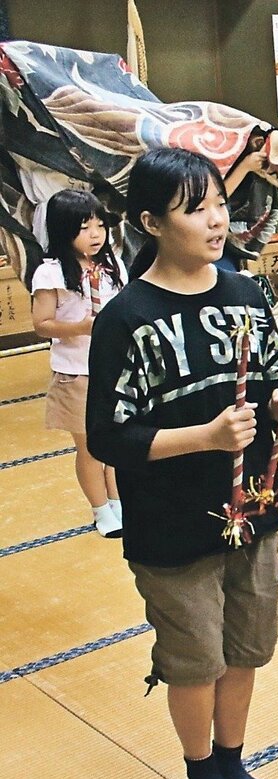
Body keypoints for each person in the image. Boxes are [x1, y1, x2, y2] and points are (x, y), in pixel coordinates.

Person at [86, 148, 278, 779]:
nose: (216, 220)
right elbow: (109, 437)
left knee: (246, 646)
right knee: (194, 659)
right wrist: (203, 437)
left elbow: (267, 387)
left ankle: (234, 758)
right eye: (196, 208)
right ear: (151, 221)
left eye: (218, 203)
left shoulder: (244, 292)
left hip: (251, 509)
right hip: (172, 523)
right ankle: (201, 768)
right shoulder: (126, 318)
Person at [31, 189, 127, 537]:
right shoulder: (51, 273)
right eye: (85, 227)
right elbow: (41, 325)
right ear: (62, 230)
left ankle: (118, 502)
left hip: (113, 370)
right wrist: (82, 327)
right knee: (89, 447)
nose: (96, 234)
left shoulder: (113, 264)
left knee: (115, 441)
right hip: (76, 372)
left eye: (100, 225)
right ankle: (101, 510)